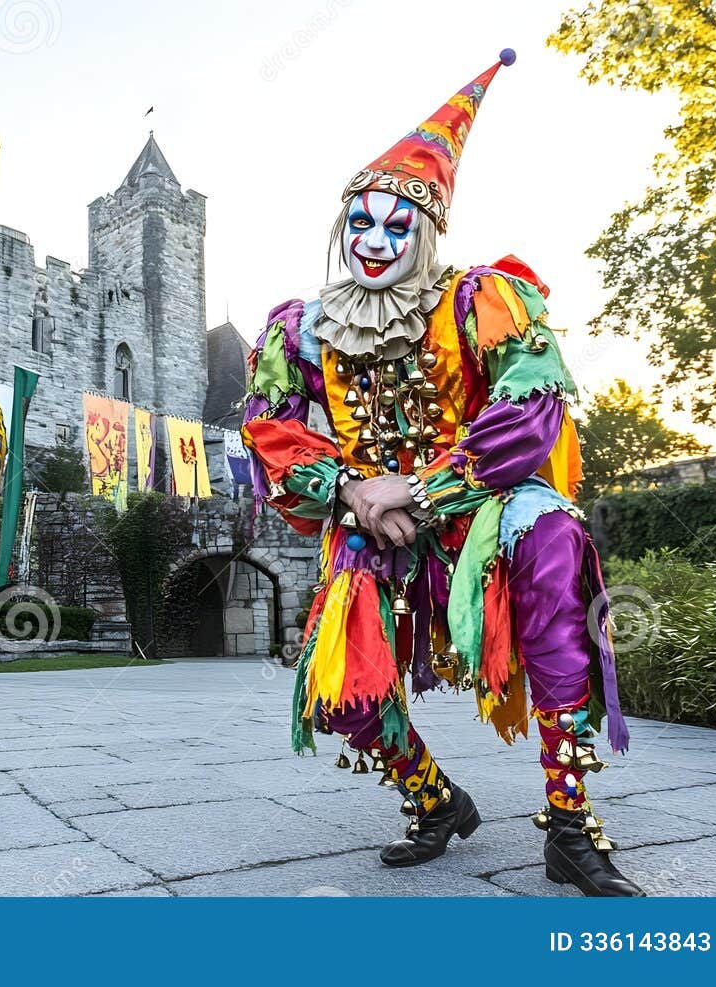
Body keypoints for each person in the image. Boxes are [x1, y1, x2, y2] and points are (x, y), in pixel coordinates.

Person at [240, 49, 642, 897]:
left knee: (555, 539)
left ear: (426, 232)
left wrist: (423, 490)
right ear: (340, 227)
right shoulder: (302, 329)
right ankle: (435, 799)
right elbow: (268, 428)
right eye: (360, 223)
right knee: (339, 685)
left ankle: (569, 823)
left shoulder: (482, 298)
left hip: (481, 504)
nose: (375, 241)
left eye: (397, 225)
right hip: (370, 521)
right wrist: (353, 490)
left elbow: (533, 411)